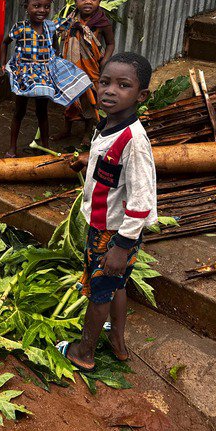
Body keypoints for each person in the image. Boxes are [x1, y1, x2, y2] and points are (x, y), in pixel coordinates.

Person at [58, 52, 157, 372]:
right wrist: (87, 161)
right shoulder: (107, 124)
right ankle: (117, 342)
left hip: (112, 234)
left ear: (141, 96)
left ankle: (84, 351)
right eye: (105, 82)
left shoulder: (134, 141)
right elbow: (111, 167)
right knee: (116, 286)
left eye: (123, 85)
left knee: (99, 292)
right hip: (107, 229)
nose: (110, 90)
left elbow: (142, 199)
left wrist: (123, 246)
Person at [0, 0, 92, 157]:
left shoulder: (50, 27)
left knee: (42, 111)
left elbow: (56, 42)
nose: (42, 10)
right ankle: (12, 147)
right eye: (36, 6)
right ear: (26, 6)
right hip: (24, 74)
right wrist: (3, 63)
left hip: (44, 76)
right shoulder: (20, 27)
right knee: (19, 111)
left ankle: (45, 145)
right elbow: (5, 42)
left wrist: (55, 59)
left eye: (47, 6)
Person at [55, 0, 116, 141]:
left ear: (100, 0)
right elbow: (56, 33)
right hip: (70, 69)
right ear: (76, 0)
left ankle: (87, 133)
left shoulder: (102, 22)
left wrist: (105, 61)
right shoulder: (70, 20)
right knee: (69, 100)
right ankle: (67, 130)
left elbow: (110, 43)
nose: (88, 2)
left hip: (91, 70)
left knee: (90, 100)